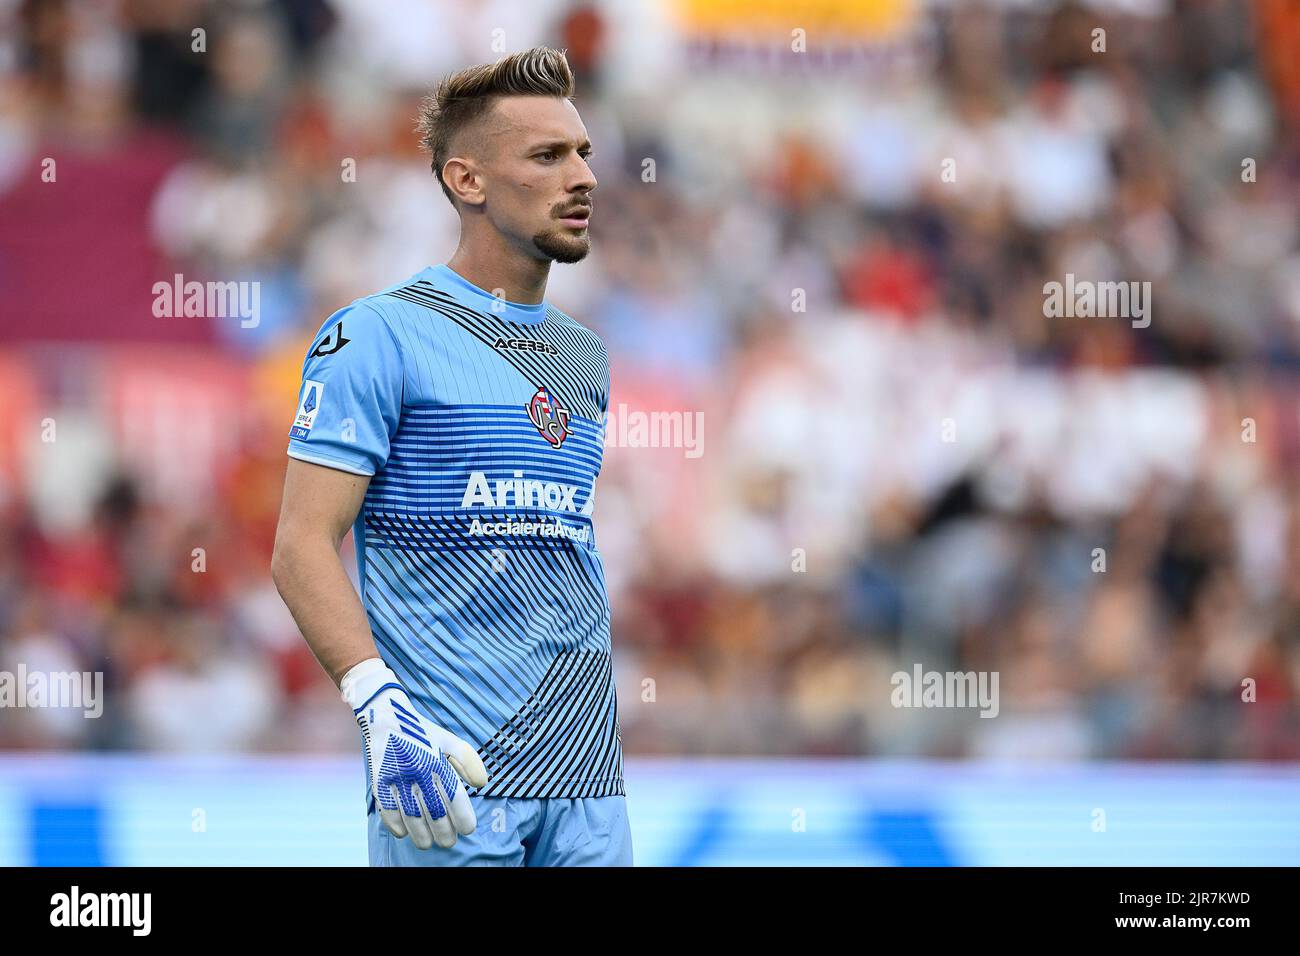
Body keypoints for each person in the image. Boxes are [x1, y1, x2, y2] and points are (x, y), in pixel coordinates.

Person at [271, 47, 629, 866]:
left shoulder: (585, 358)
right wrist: (379, 710)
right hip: (450, 779)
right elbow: (299, 547)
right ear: (467, 181)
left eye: (583, 154)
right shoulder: (376, 334)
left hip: (589, 782)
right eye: (547, 156)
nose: (583, 177)